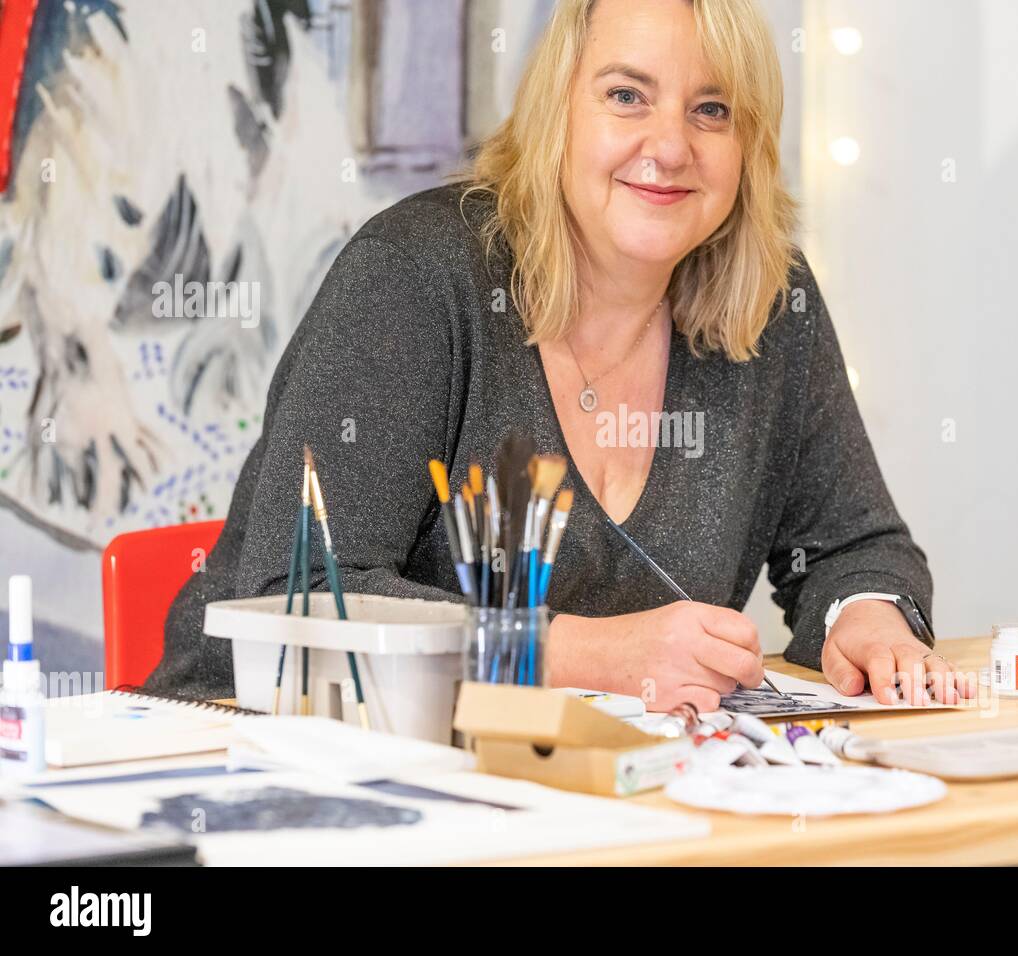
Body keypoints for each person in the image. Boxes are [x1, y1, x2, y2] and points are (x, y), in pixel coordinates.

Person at [148, 0, 974, 711]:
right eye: (626, 96)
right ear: (557, 113)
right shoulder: (415, 275)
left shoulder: (771, 300)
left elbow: (853, 546)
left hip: (586, 796)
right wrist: (583, 656)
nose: (671, 145)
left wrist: (869, 619)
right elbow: (301, 605)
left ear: (747, 144)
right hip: (251, 756)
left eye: (711, 110)